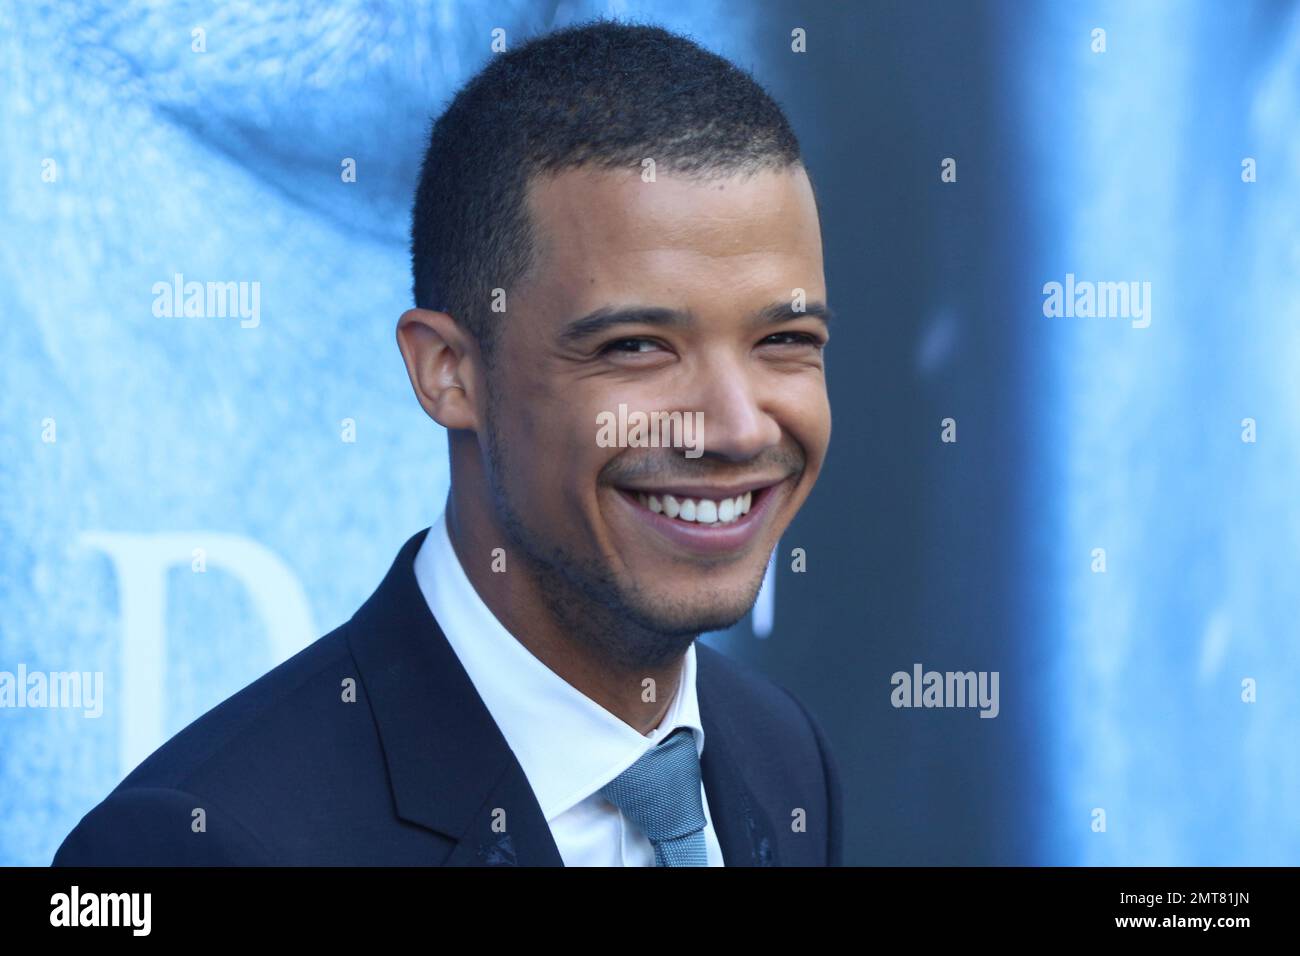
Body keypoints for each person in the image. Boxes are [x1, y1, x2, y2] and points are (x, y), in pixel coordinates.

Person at [53, 18, 841, 867]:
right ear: (447, 372)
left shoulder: (781, 758)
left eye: (785, 341)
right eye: (636, 347)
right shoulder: (197, 844)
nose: (734, 427)